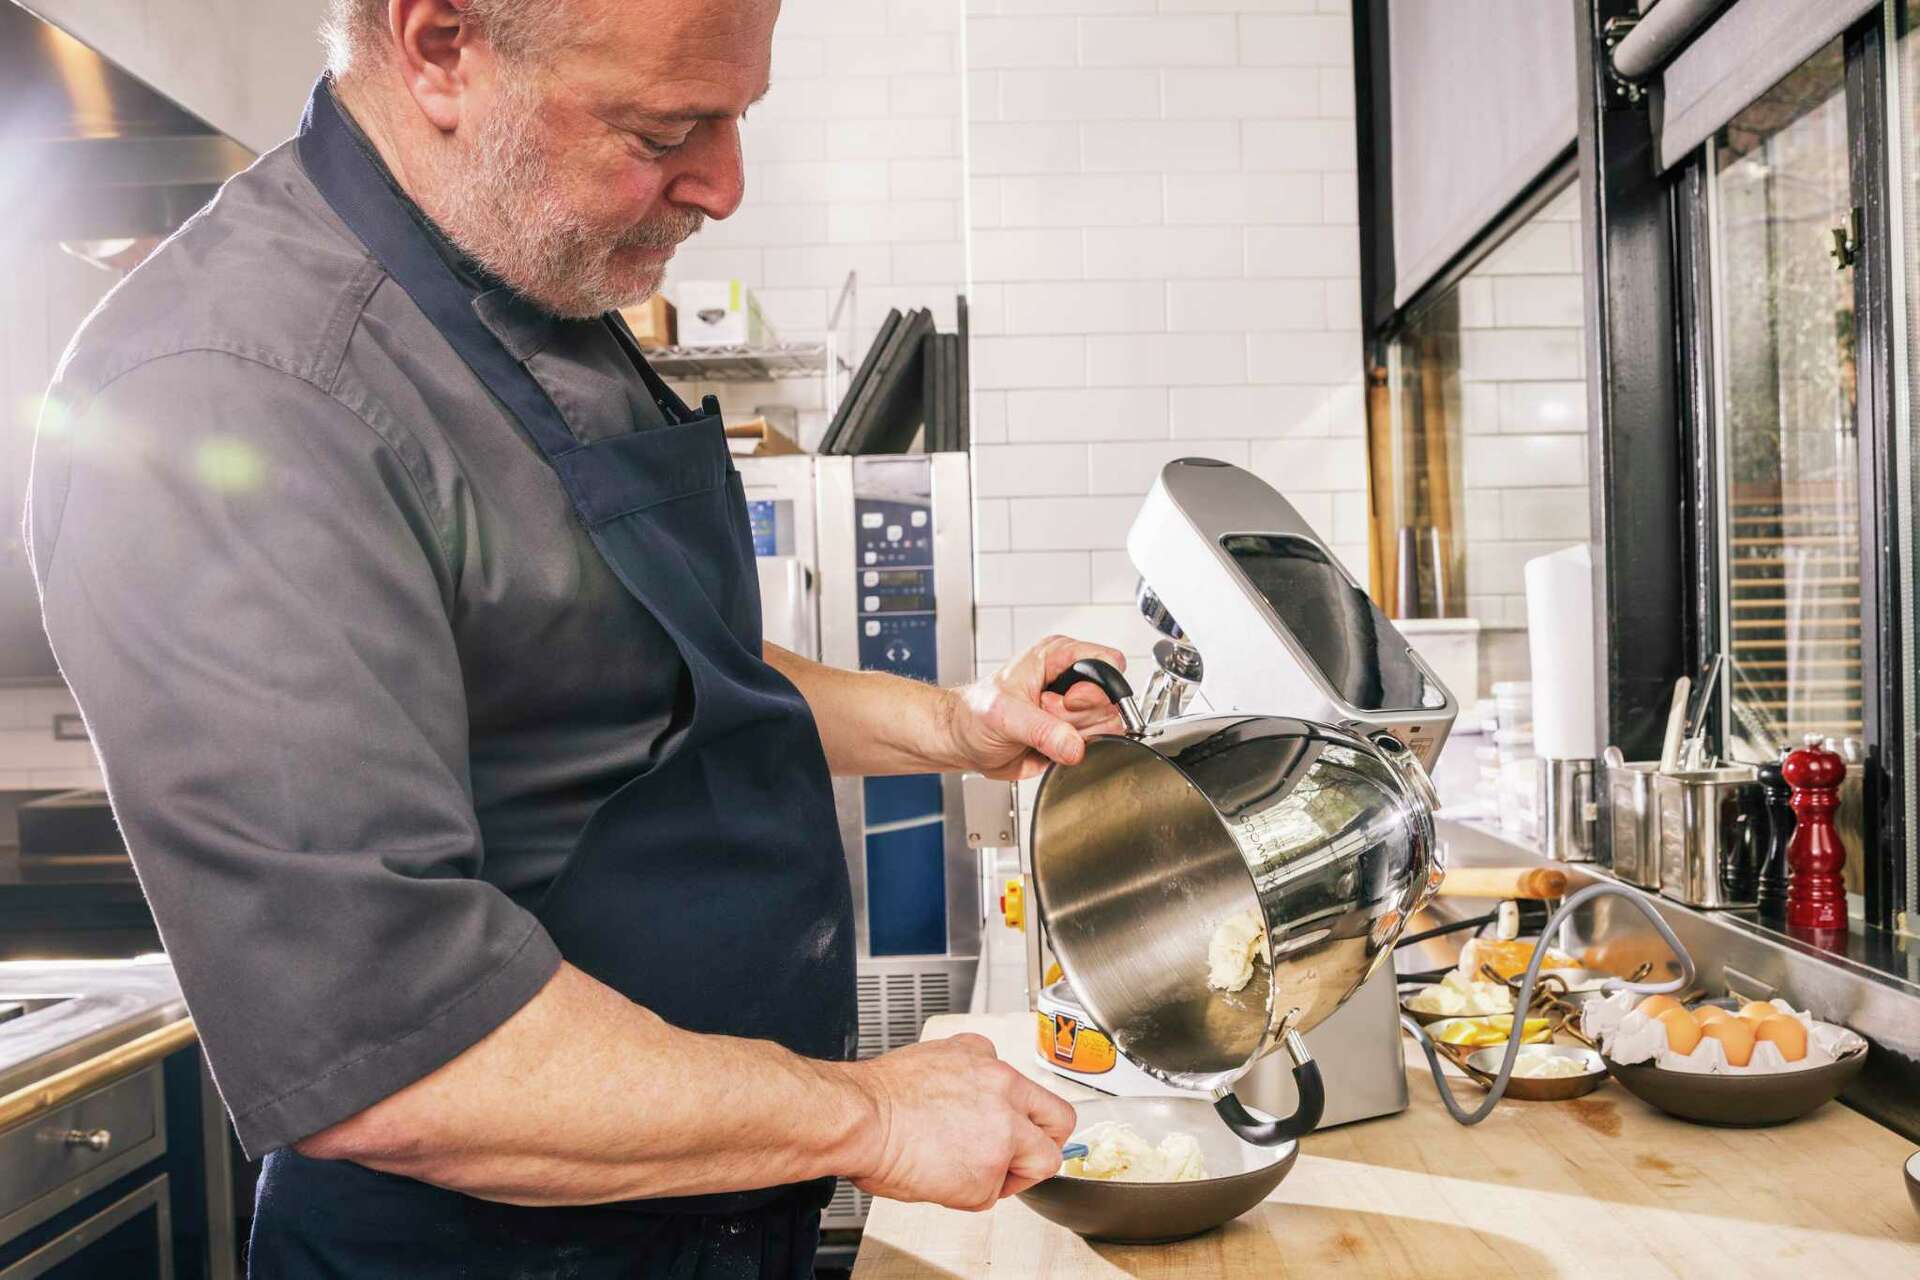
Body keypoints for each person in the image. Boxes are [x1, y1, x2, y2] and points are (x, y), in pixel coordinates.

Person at [26, 0, 1124, 1272]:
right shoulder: (231, 393)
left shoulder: (523, 279)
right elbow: (398, 1052)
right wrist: (871, 1112)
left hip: (702, 1215)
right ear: (441, 47)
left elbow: (650, 662)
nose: (724, 182)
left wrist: (952, 725)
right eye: (670, 127)